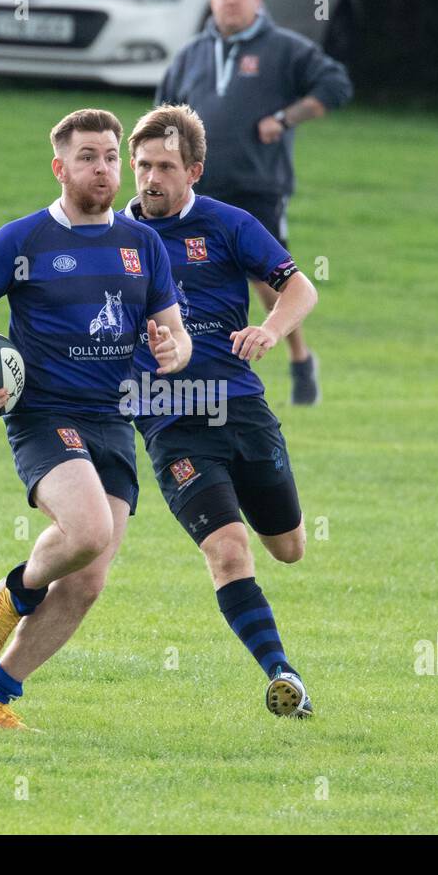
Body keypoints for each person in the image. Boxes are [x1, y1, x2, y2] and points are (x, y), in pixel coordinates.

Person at [0, 109, 191, 730]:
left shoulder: (142, 244)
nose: (101, 169)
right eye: (87, 158)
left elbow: (176, 339)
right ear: (60, 167)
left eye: (108, 157)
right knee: (86, 532)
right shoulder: (22, 240)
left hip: (112, 420)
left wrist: (171, 352)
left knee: (86, 584)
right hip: (44, 415)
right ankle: (14, 594)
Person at [123, 104, 319, 717]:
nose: (151, 179)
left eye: (165, 167)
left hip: (240, 408)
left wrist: (269, 329)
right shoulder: (109, 237)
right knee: (229, 550)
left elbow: (299, 287)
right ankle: (282, 675)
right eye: (142, 165)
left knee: (287, 548)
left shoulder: (228, 224)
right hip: (168, 417)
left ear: (195, 171)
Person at [156, 0, 351, 406]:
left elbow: (336, 85)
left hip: (257, 184)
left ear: (256, 0)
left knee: (269, 279)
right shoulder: (190, 54)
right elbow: (162, 115)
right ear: (212, 1)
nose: (229, 1)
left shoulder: (284, 49)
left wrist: (285, 119)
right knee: (189, 276)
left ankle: (299, 359)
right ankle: (198, 366)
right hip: (196, 191)